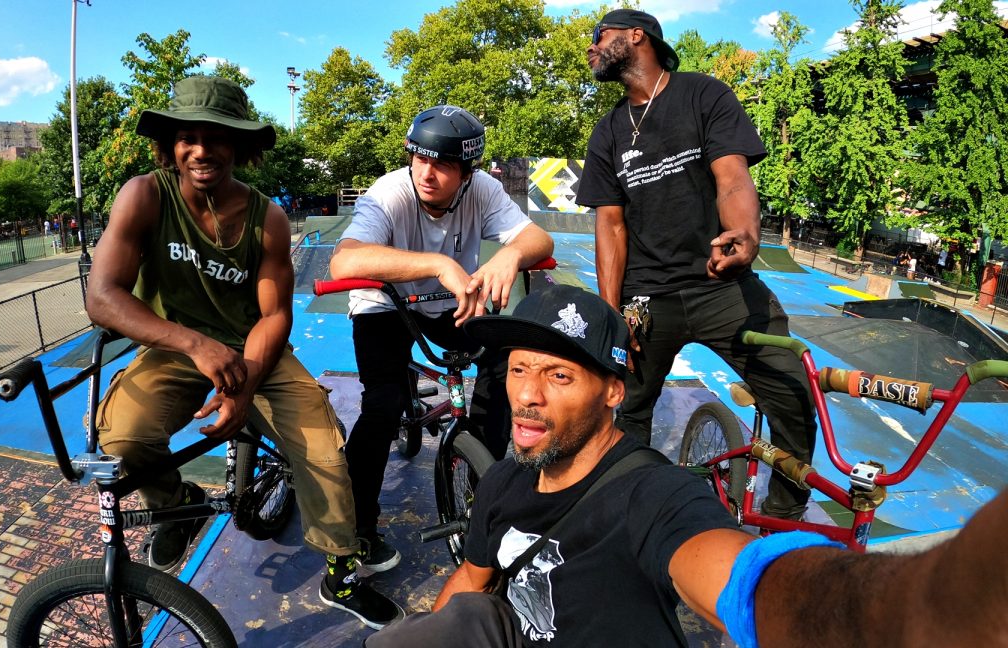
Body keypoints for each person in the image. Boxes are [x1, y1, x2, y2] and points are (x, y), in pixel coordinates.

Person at [366, 283, 1008, 647]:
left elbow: (748, 577)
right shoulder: (504, 483)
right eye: (518, 369)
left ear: (615, 392)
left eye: (560, 374)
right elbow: (472, 582)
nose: (527, 397)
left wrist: (923, 607)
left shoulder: (655, 496)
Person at [85, 75, 402, 629]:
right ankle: (172, 505)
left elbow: (276, 315)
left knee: (324, 450)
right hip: (175, 347)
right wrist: (194, 344)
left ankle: (340, 569)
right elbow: (102, 296)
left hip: (256, 351)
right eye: (188, 136)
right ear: (172, 144)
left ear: (239, 145)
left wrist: (246, 383)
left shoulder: (267, 218)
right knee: (123, 436)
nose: (201, 150)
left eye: (216, 137)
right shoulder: (145, 195)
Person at [575, 8, 815, 521]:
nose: (590, 48)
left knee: (792, 389)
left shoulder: (703, 94)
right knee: (621, 410)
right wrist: (611, 312)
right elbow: (611, 226)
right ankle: (626, 514)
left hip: (721, 286)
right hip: (646, 299)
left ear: (636, 35)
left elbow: (731, 176)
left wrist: (744, 235)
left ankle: (784, 514)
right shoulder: (609, 131)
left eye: (599, 36)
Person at [329, 105, 554, 571]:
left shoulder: (485, 190)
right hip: (384, 304)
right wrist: (438, 264)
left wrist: (509, 256)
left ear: (467, 172)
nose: (428, 173)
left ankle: (480, 476)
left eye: (444, 165)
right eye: (420, 159)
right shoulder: (389, 193)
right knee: (382, 407)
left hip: (448, 302)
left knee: (502, 360)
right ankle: (359, 530)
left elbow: (539, 240)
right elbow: (344, 264)